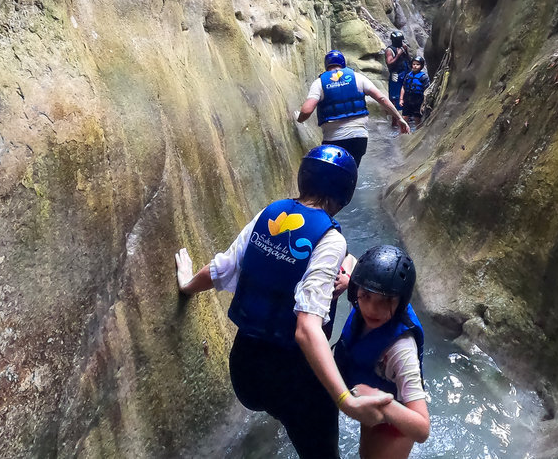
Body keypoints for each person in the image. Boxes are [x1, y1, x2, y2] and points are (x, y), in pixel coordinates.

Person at [174, 145, 392, 459]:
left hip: (245, 373)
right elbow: (306, 329)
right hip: (292, 377)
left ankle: (285, 419)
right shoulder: (331, 239)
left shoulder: (272, 212)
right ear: (345, 194)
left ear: (304, 178)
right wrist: (346, 400)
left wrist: (185, 286)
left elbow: (222, 268)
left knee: (284, 410)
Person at [334, 245, 429, 459]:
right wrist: (347, 277)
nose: (372, 309)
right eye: (366, 295)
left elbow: (422, 429)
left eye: (385, 301)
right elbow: (349, 257)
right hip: (374, 393)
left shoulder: (401, 349)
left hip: (395, 420)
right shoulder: (359, 300)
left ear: (400, 302)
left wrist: (381, 401)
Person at [297, 50, 409, 166]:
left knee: (335, 175)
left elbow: (307, 110)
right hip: (359, 138)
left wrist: (299, 120)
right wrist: (399, 118)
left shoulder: (319, 83)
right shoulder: (358, 77)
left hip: (333, 140)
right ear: (343, 63)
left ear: (326, 65)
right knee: (352, 170)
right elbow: (381, 98)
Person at [384, 31, 411, 123]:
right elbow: (389, 63)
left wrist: (405, 51)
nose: (400, 42)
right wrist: (398, 54)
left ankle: (407, 118)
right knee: (395, 98)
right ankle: (394, 122)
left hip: (405, 74)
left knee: (407, 96)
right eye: (398, 40)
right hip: (396, 76)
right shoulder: (389, 50)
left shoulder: (403, 48)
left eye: (401, 40)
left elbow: (409, 60)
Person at [399, 56, 430, 130]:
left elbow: (427, 90)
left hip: (418, 100)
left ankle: (417, 132)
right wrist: (401, 99)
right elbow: (403, 87)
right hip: (408, 99)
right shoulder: (408, 75)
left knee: (417, 118)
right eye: (414, 64)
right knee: (404, 117)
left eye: (417, 64)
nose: (415, 66)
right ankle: (403, 132)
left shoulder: (424, 77)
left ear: (421, 66)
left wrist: (425, 103)